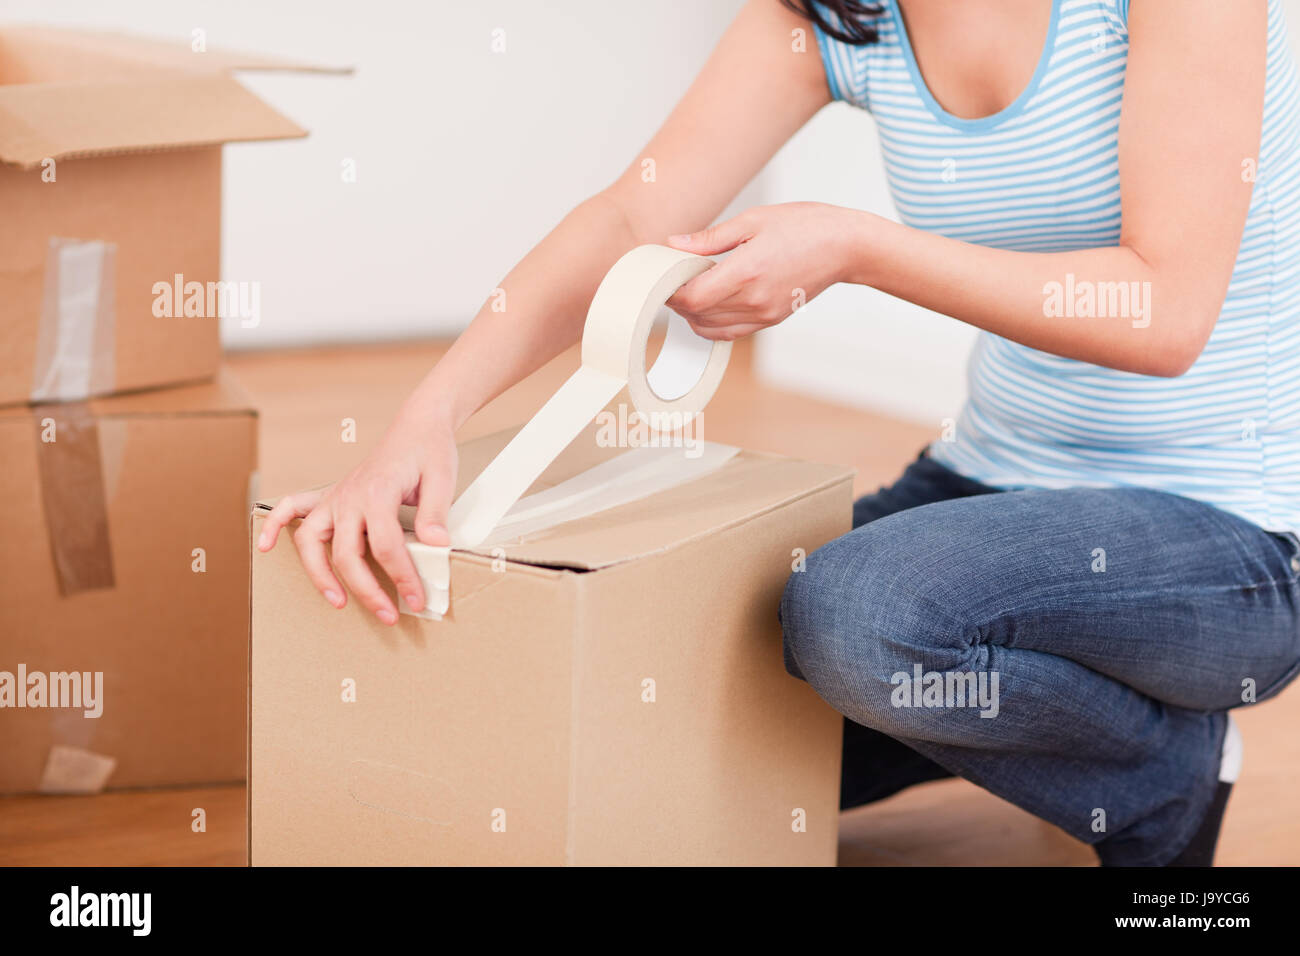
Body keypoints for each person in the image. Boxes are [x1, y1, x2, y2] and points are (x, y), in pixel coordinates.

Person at [258, 0, 1300, 866]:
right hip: (988, 479)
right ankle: (1054, 717)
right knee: (651, 734)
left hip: (1235, 532)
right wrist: (426, 416)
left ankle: (1164, 774)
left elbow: (1163, 313)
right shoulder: (842, 16)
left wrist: (856, 248)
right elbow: (631, 220)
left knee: (859, 618)